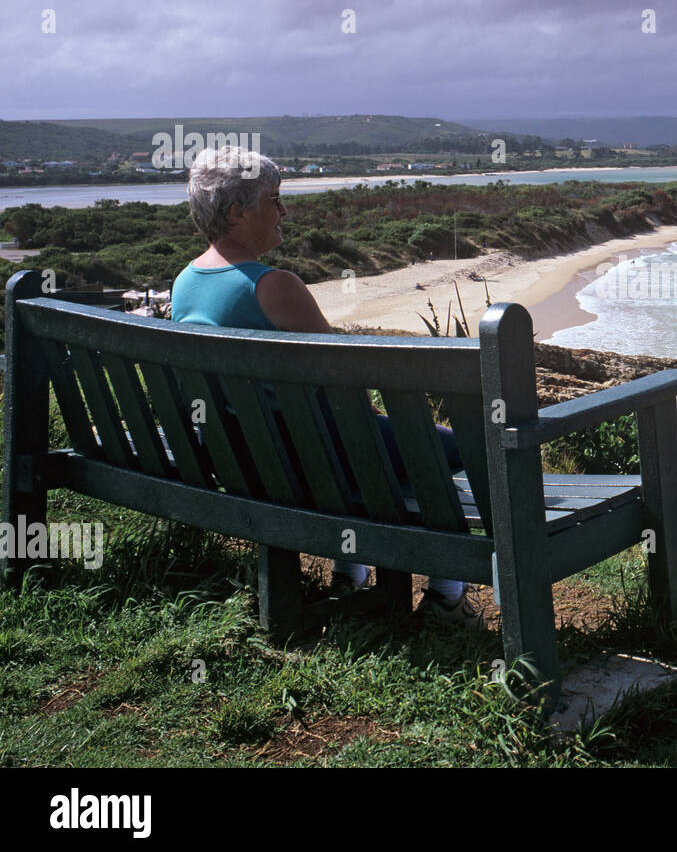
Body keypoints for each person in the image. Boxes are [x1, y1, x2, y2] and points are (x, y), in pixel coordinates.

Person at [171, 147, 483, 627]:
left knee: (387, 446)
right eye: (273, 200)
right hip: (307, 459)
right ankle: (446, 595)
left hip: (238, 456)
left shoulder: (185, 282)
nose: (284, 211)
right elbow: (346, 381)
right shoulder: (273, 286)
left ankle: (349, 569)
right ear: (236, 212)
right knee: (450, 444)